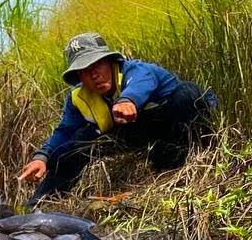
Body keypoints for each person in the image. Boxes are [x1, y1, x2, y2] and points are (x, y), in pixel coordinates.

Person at [18, 32, 217, 206]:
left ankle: (177, 163)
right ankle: (38, 202)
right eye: (85, 71)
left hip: (177, 123)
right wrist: (42, 157)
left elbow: (142, 83)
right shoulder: (78, 97)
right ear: (79, 76)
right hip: (137, 131)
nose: (94, 75)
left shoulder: (137, 71)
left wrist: (128, 100)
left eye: (97, 65)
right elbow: (64, 131)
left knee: (187, 93)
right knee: (75, 143)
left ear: (110, 61)